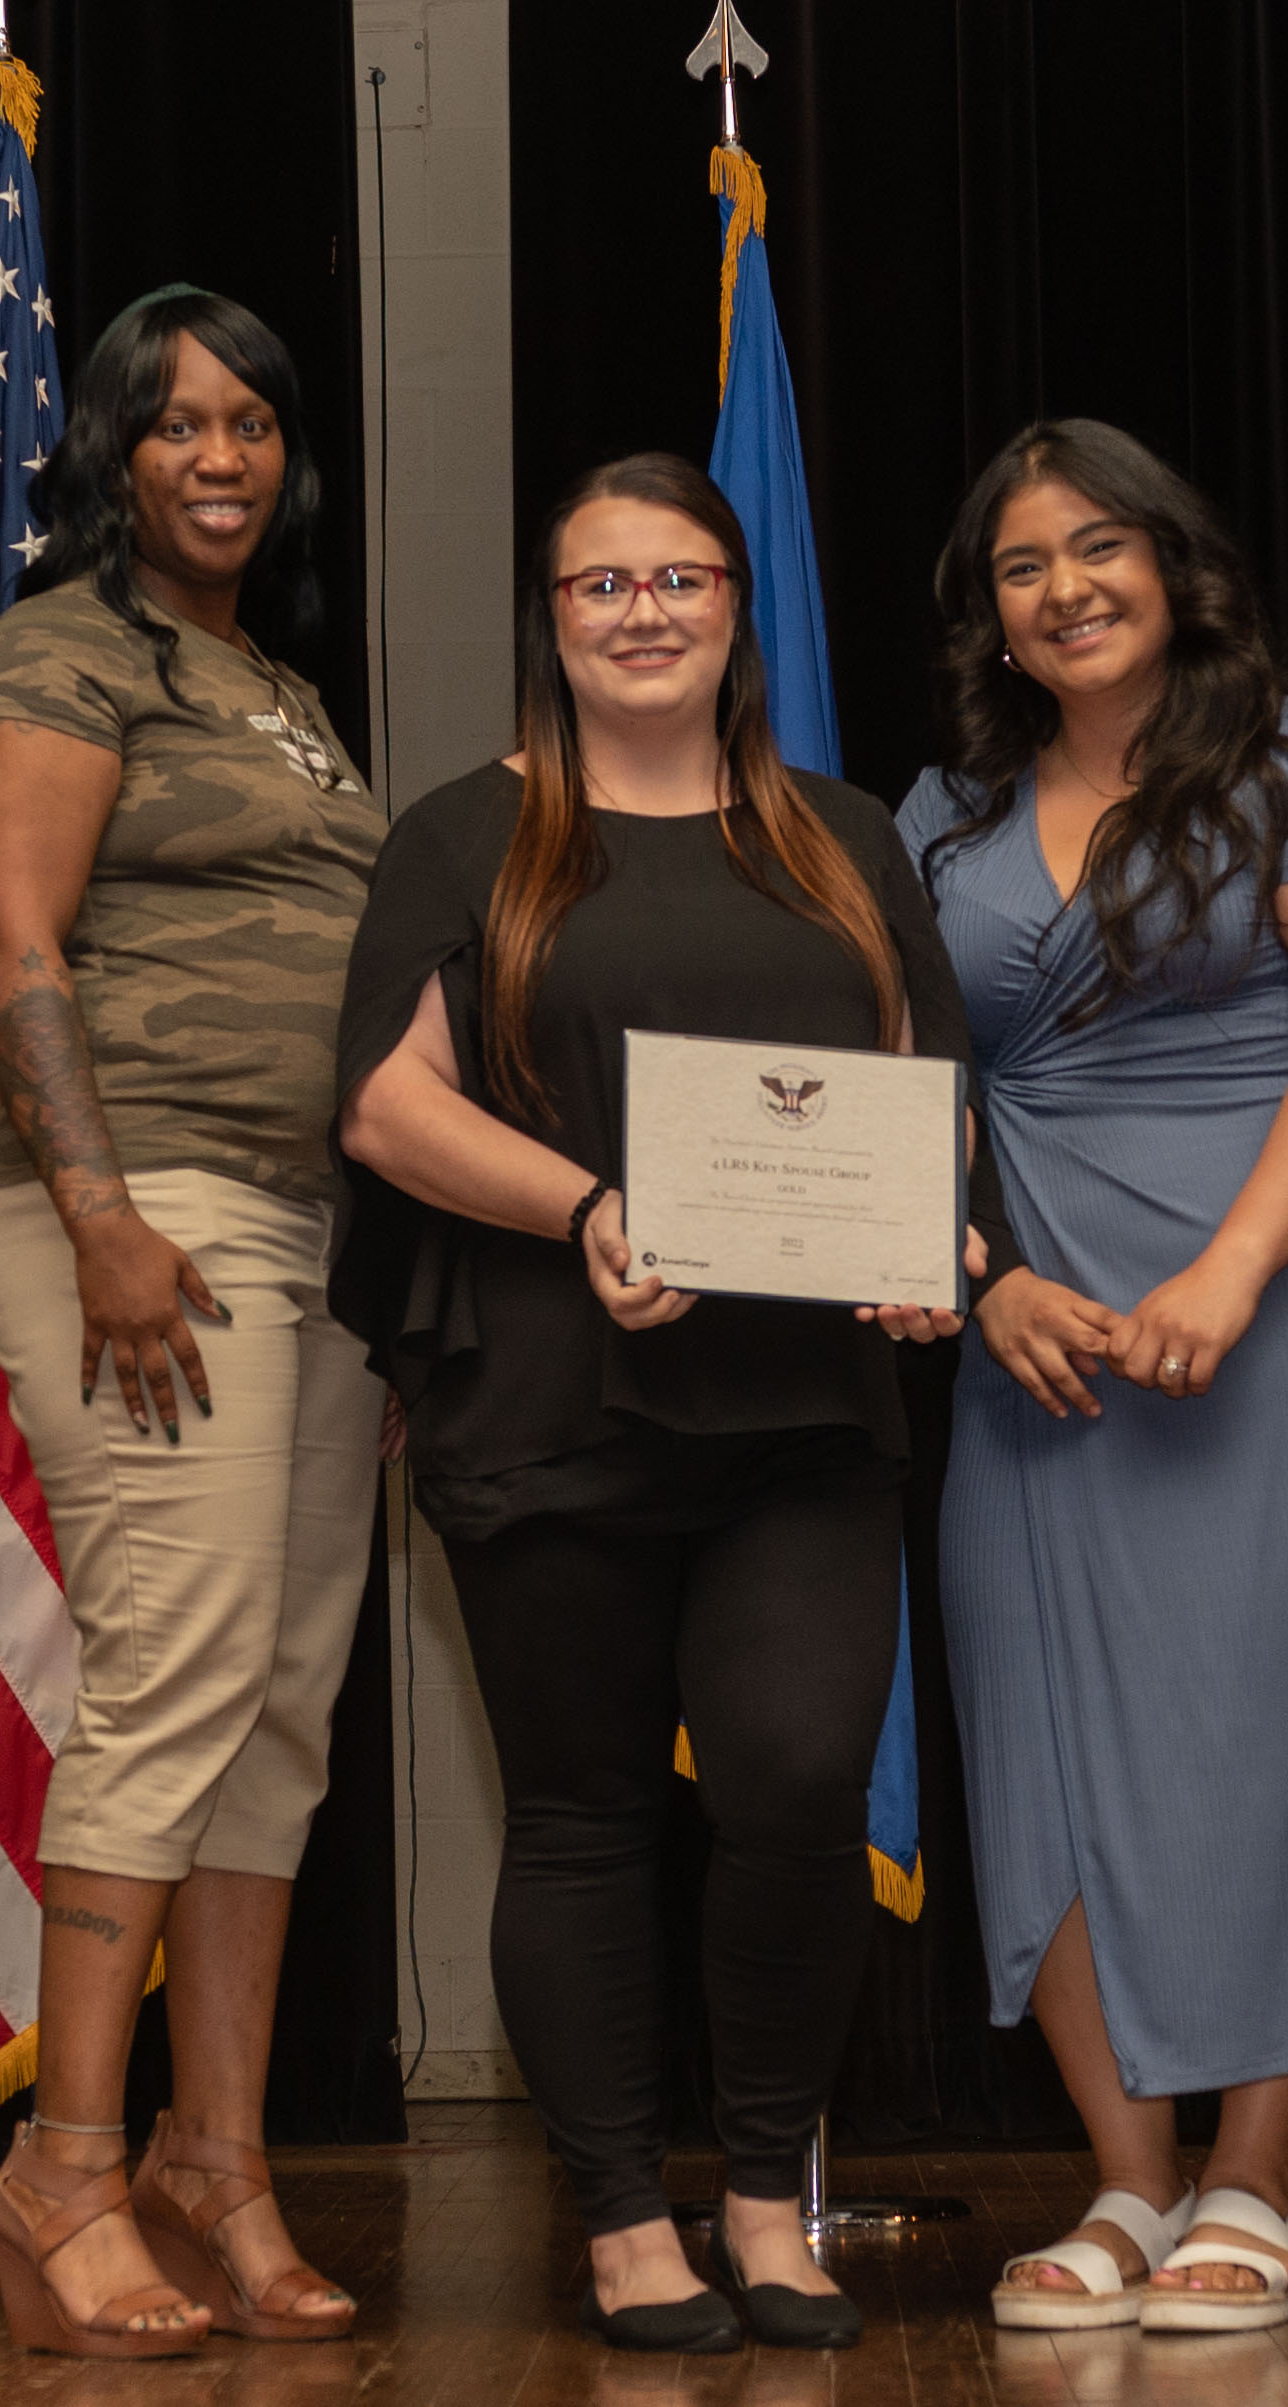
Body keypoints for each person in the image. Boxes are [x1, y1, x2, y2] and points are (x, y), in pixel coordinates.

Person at [333, 453, 995, 2356]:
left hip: (801, 1410)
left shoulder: (839, 835)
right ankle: (625, 2219)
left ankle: (766, 2201)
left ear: (733, 607)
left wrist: (931, 1237)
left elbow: (927, 1088)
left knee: (794, 1791)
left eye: (678, 578)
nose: (642, 612)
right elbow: (385, 1106)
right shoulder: (466, 834)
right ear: (551, 621)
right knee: (584, 1816)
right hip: (553, 1400)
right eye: (600, 584)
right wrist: (586, 1207)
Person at [901, 419, 1288, 2336]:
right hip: (1032, 1338)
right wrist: (979, 1282)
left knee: (1263, 1731)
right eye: (1022, 565)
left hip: (1264, 1316)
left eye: (1098, 546)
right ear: (990, 612)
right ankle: (1129, 2183)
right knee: (1037, 1731)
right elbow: (901, 1083)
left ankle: (1255, 2178)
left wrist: (1229, 1271)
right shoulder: (943, 812)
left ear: (1172, 563)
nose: (1065, 588)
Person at [0, 286, 386, 2358]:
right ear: (109, 450)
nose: (222, 458)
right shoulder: (64, 648)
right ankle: (67, 2167)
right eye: (177, 423)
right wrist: (104, 1214)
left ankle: (219, 2159)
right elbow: (5, 930)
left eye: (253, 424)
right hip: (149, 1214)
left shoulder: (275, 683)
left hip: (306, 1234)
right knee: (176, 1675)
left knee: (277, 1711)